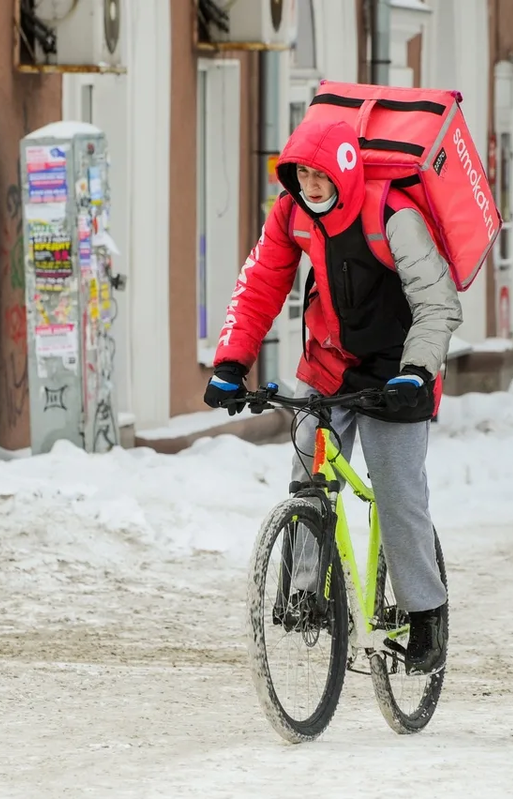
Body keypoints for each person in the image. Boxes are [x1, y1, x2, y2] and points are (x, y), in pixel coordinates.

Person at [202, 117, 462, 675]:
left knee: (397, 495)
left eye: (320, 174)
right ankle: (304, 596)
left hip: (398, 371)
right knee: (307, 474)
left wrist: (417, 371)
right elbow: (261, 283)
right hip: (328, 364)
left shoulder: (393, 215)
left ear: (345, 169)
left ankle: (425, 619)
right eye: (300, 173)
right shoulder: (292, 213)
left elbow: (437, 304)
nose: (310, 185)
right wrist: (230, 361)